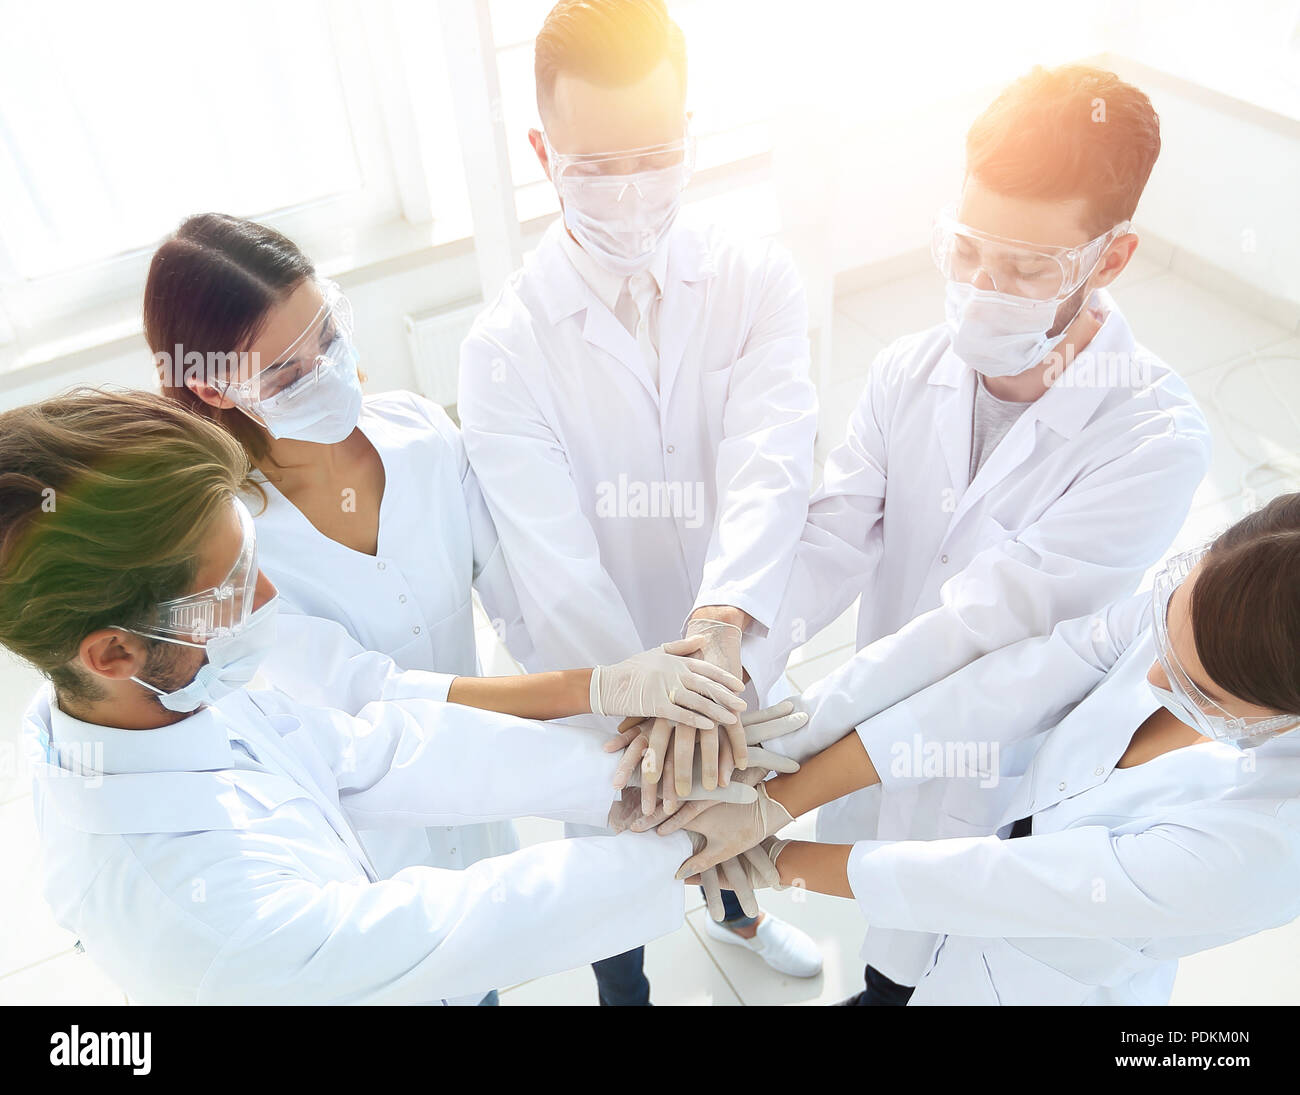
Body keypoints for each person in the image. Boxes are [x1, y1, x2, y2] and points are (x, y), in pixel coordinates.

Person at [2, 390, 804, 1004]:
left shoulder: (153, 702)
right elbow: (459, 921)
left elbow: (380, 751)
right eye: (232, 589)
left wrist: (638, 779)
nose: (270, 596)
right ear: (111, 651)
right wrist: (689, 847)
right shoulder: (200, 911)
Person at [144, 213, 752, 1004]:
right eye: (287, 375)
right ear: (210, 386)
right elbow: (377, 698)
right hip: (374, 849)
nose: (327, 372)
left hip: (485, 806)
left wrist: (641, 721)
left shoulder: (421, 437)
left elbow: (523, 601)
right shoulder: (231, 548)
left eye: (326, 336)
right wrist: (598, 689)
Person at [731, 64, 1212, 1003]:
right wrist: (733, 670)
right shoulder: (909, 372)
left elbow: (986, 627)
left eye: (1029, 269)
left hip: (1005, 788)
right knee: (888, 944)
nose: (985, 289)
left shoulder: (1154, 439)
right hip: (884, 758)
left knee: (942, 967)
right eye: (966, 251)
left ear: (1109, 258)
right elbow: (831, 539)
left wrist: (786, 750)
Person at [457, 0, 821, 1000]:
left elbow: (770, 460)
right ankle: (625, 988)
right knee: (611, 846)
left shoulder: (756, 280)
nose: (628, 193)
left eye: (652, 156)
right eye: (595, 167)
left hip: (730, 635)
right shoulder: (503, 351)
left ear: (692, 135)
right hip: (600, 675)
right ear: (542, 149)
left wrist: (716, 639)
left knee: (731, 803)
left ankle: (741, 914)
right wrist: (646, 707)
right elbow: (554, 568)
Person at [649, 492, 1300, 1004]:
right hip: (955, 931)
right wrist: (780, 799)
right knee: (898, 977)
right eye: (1165, 634)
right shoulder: (1216, 603)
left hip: (1036, 981)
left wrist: (774, 859)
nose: (1154, 674)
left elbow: (996, 885)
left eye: (1195, 685)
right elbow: (998, 693)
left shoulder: (1266, 845)